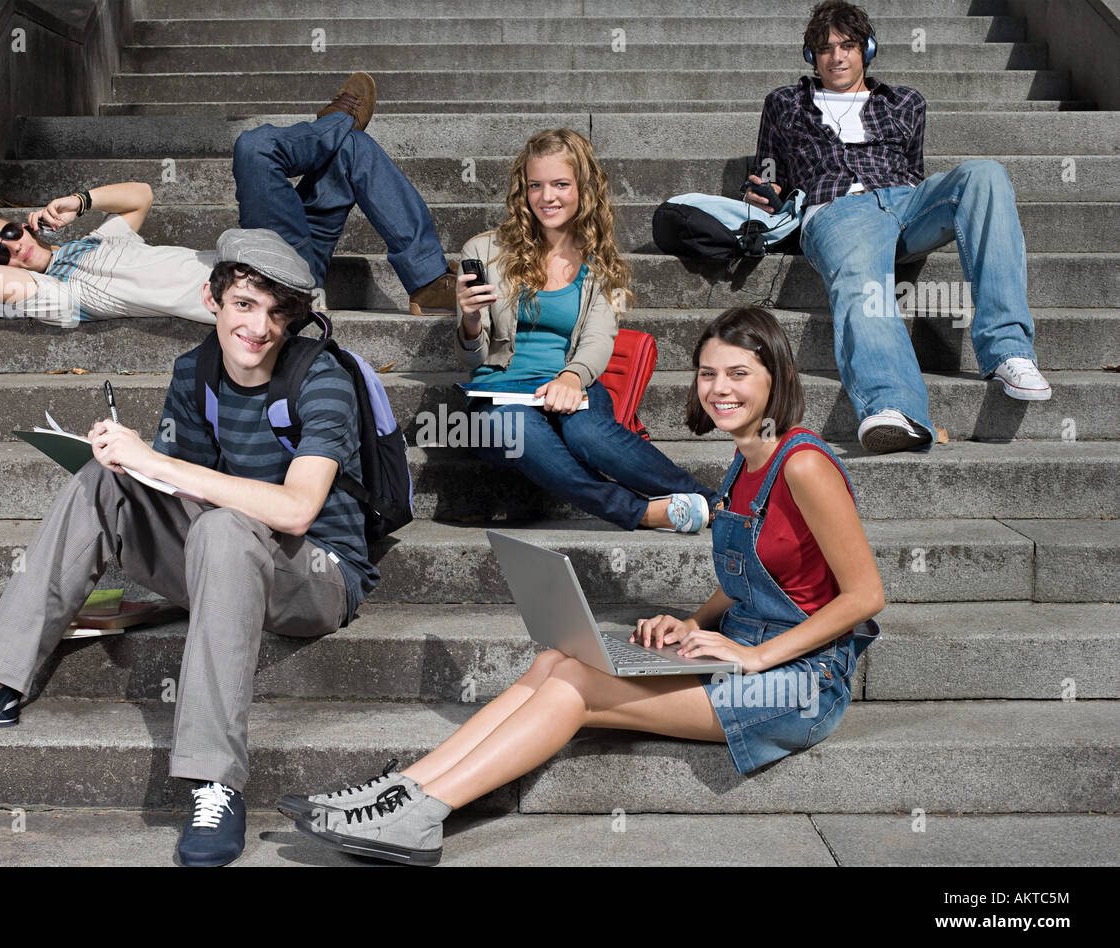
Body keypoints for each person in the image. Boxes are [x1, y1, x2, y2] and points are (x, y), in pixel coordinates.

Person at [286, 306, 885, 866]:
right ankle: (399, 792)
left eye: (738, 374)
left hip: (800, 682)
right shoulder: (746, 459)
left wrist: (755, 656)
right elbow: (753, 575)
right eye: (708, 373)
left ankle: (420, 814)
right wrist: (695, 623)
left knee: (574, 680)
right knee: (556, 658)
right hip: (742, 657)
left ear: (776, 378)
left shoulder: (804, 463)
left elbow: (864, 596)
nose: (719, 388)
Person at [0, 230, 379, 868]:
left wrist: (158, 461)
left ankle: (214, 781)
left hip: (318, 577)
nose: (260, 327)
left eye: (279, 313)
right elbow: (178, 494)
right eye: (245, 305)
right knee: (101, 478)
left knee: (223, 527)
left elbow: (298, 509)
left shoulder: (320, 376)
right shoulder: (194, 371)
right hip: (224, 565)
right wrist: (132, 465)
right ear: (212, 299)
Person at [742, 0, 1051, 454]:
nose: (837, 57)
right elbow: (767, 174)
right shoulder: (786, 103)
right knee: (862, 275)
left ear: (866, 49)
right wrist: (765, 194)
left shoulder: (905, 102)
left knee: (985, 174)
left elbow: (914, 170)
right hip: (836, 210)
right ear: (811, 57)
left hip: (906, 202)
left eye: (847, 45)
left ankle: (1009, 351)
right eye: (824, 49)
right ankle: (894, 406)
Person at [0, 72, 456, 325]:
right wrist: (7, 271)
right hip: (259, 276)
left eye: (9, 233)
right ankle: (332, 124)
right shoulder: (58, 298)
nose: (11, 248)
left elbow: (141, 196)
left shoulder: (94, 245)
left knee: (353, 152)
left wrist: (79, 201)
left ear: (25, 225)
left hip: (294, 257)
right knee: (254, 148)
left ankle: (428, 280)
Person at [452, 127, 715, 533]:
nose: (547, 197)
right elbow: (473, 358)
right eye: (535, 186)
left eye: (560, 184)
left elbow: (597, 339)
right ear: (523, 190)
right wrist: (470, 320)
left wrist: (572, 377)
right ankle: (642, 513)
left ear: (583, 188)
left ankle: (714, 503)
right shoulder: (482, 251)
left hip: (570, 384)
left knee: (589, 435)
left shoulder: (602, 262)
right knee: (520, 432)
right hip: (500, 394)